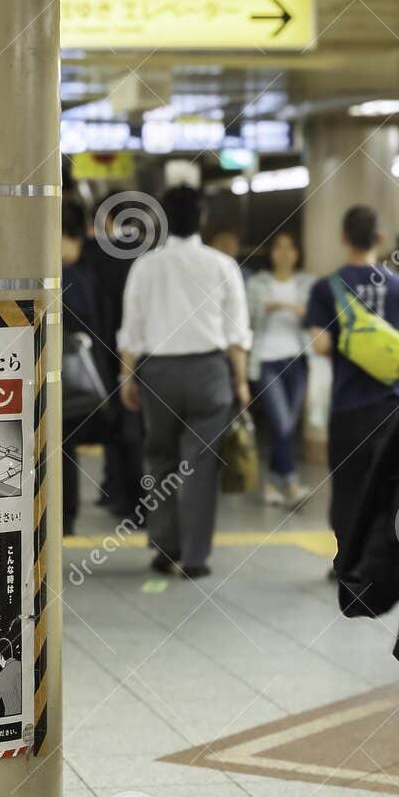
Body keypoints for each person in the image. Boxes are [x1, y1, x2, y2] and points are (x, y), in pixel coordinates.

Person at [117, 185, 251, 577]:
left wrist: (127, 377)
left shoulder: (145, 265)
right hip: (210, 372)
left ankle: (164, 547)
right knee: (200, 464)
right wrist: (241, 383)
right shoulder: (222, 265)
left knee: (159, 459)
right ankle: (195, 558)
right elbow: (236, 334)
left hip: (159, 372)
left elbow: (132, 330)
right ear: (202, 218)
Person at [304, 205, 399, 561]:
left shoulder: (327, 288)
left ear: (343, 238)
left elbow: (321, 344)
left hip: (347, 405)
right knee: (388, 482)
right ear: (380, 238)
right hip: (393, 404)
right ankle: (383, 558)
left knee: (347, 486)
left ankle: (347, 560)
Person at [80, 193, 147, 521]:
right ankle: (134, 498)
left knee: (118, 426)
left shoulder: (94, 254)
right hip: (142, 353)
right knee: (134, 428)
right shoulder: (146, 255)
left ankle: (124, 496)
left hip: (103, 352)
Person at [247, 231, 315, 505]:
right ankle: (291, 481)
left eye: (290, 248)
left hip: (298, 360)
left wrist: (301, 312)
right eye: (278, 248)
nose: (285, 253)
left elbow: (317, 318)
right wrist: (267, 308)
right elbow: (248, 317)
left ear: (297, 253)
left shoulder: (308, 283)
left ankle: (273, 482)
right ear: (270, 252)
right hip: (266, 359)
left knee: (287, 424)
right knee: (282, 421)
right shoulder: (257, 283)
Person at [59, 197, 101, 535]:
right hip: (65, 371)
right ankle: (65, 514)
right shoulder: (79, 273)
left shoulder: (67, 275)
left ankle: (65, 514)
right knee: (63, 446)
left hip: (61, 370)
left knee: (61, 446)